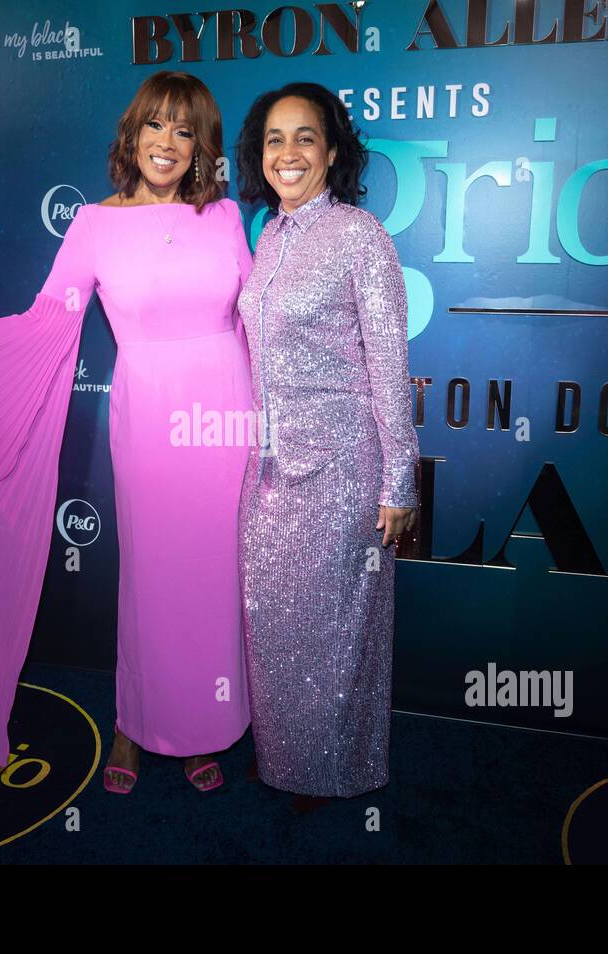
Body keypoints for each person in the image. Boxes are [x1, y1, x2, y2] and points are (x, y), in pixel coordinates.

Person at [0, 71, 253, 794]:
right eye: (156, 125)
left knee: (216, 578)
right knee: (158, 579)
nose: (168, 142)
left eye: (185, 131)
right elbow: (46, 321)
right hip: (154, 416)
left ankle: (202, 726)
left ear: (202, 148)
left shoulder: (222, 217)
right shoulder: (94, 224)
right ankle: (136, 720)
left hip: (229, 418)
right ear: (133, 135)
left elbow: (257, 319)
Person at [234, 82, 420, 800]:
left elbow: (388, 366)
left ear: (332, 150)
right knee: (278, 630)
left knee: (336, 631)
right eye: (275, 138)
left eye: (305, 137)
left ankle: (331, 768)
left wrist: (398, 481)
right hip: (271, 471)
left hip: (342, 470)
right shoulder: (271, 235)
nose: (288, 152)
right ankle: (286, 756)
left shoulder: (361, 237)